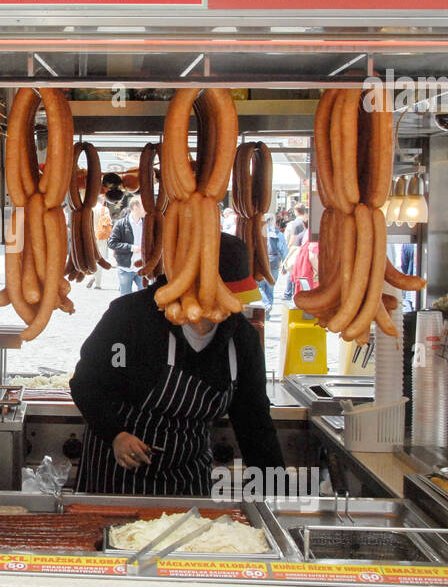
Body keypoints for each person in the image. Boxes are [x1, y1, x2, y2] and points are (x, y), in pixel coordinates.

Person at [69, 233, 285, 495]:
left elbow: (253, 420)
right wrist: (115, 434)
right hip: (116, 475)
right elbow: (86, 383)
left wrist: (276, 496)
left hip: (187, 478)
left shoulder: (242, 338)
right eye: (226, 296)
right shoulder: (131, 317)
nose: (234, 307)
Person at [108, 197, 145, 296]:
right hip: (126, 268)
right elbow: (111, 243)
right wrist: (131, 247)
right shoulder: (121, 224)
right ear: (136, 207)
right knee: (125, 298)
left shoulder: (146, 223)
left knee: (146, 298)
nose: (147, 208)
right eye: (144, 206)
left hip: (142, 267)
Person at [260, 213, 287, 315]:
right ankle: (268, 308)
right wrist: (284, 266)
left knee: (259, 286)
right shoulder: (278, 233)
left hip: (262, 260)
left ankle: (266, 305)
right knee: (270, 287)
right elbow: (284, 250)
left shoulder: (260, 232)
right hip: (274, 260)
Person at [88, 198, 112, 290]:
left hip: (90, 236)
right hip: (101, 237)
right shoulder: (105, 209)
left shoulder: (90, 208)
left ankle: (91, 275)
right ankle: (97, 283)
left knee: (90, 258)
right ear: (102, 201)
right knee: (99, 259)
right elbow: (108, 223)